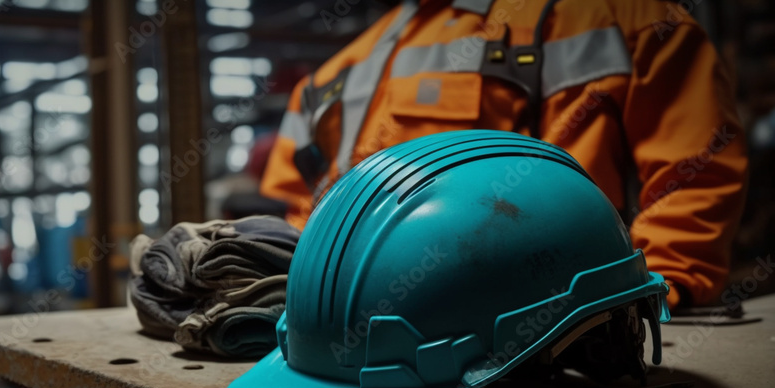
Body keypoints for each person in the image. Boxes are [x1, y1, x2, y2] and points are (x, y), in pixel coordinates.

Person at [260, 0, 748, 311]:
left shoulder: (633, 22)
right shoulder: (341, 70)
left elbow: (694, 174)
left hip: (564, 332)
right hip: (369, 343)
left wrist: (648, 297)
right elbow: (304, 212)